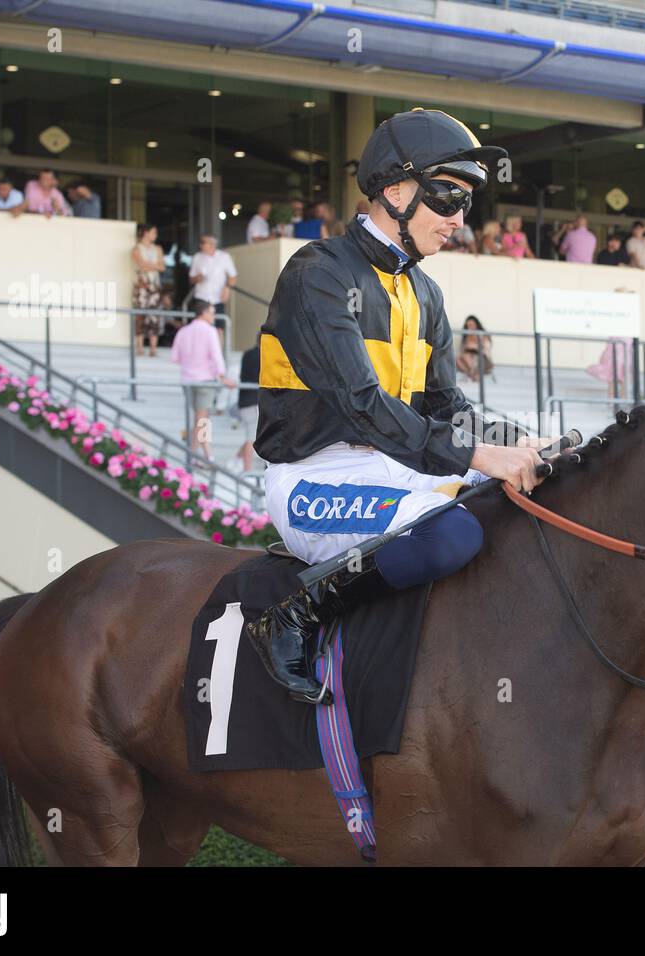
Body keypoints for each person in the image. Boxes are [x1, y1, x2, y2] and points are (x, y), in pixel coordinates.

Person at [250, 109, 545, 703]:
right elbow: (362, 405)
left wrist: (524, 440)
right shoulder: (318, 272)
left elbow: (447, 404)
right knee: (450, 536)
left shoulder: (425, 291)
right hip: (314, 476)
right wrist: (478, 454)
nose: (458, 219)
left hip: (399, 466)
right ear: (394, 191)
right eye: (445, 198)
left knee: (520, 510)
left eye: (467, 205)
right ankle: (296, 612)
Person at [171, 300, 235, 463]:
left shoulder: (183, 331)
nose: (214, 316)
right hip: (205, 380)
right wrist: (222, 376)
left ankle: (195, 453)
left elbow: (175, 357)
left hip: (187, 380)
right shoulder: (209, 331)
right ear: (203, 313)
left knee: (200, 418)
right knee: (202, 419)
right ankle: (205, 454)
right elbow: (216, 356)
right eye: (212, 312)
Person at [189, 233, 238, 349]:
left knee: (218, 327)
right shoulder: (197, 258)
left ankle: (218, 355)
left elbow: (233, 277)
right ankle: (199, 352)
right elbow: (191, 279)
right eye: (209, 243)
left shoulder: (224, 256)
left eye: (214, 243)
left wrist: (227, 288)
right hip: (201, 297)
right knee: (199, 326)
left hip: (217, 298)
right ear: (201, 245)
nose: (212, 245)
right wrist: (198, 278)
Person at [132, 223, 167, 358]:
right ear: (146, 233)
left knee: (155, 315)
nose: (155, 235)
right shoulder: (136, 249)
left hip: (154, 285)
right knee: (140, 315)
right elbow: (142, 266)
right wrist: (155, 265)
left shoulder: (157, 248)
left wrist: (149, 265)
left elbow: (162, 267)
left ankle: (153, 347)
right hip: (142, 285)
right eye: (153, 232)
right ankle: (140, 347)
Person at [234, 341, 260, 473]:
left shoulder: (247, 354)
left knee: (252, 436)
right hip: (254, 401)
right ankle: (247, 470)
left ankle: (237, 459)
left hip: (244, 400)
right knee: (252, 438)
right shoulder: (264, 355)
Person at [455, 315, 493, 381]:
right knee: (458, 359)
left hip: (481, 357)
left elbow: (486, 350)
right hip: (468, 358)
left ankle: (473, 375)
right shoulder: (466, 336)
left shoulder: (483, 335)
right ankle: (471, 374)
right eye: (468, 325)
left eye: (472, 325)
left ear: (477, 325)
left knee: (469, 357)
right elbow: (463, 350)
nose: (470, 327)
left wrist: (474, 347)